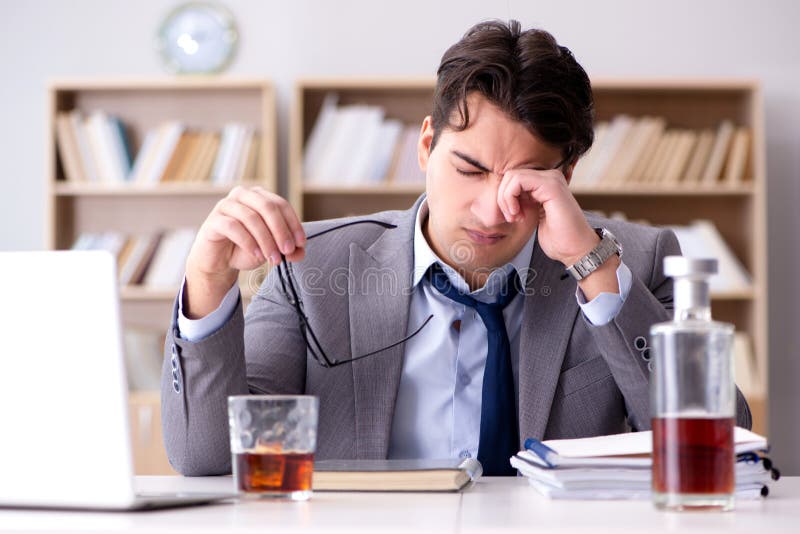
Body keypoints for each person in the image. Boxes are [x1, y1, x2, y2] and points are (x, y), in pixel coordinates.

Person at [162, 20, 751, 477]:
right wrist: (207, 284)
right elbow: (206, 456)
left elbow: (720, 444)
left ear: (567, 175)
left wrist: (592, 267)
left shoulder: (636, 264)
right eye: (469, 168)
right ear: (425, 145)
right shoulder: (313, 269)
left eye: (528, 182)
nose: (493, 211)